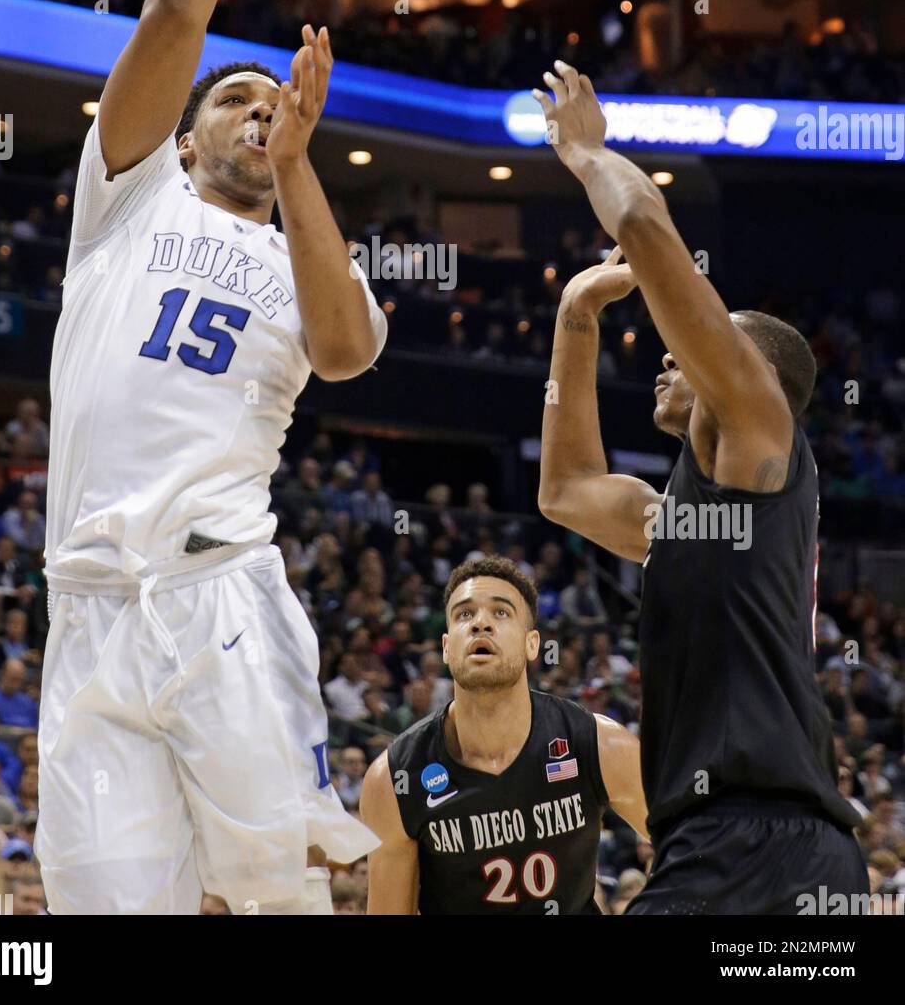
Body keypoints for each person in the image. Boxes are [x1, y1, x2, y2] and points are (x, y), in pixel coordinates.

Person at [36, 0, 385, 917]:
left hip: (219, 595)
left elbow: (343, 356)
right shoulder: (126, 200)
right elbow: (177, 10)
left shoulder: (309, 258)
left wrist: (299, 168)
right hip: (82, 607)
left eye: (266, 101)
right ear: (178, 137)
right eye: (230, 103)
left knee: (278, 901)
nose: (251, 110)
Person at [535, 60, 867, 914]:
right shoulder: (693, 517)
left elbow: (643, 219)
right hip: (732, 847)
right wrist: (577, 314)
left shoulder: (763, 433)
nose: (669, 355)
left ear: (745, 370)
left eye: (693, 350)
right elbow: (566, 491)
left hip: (762, 842)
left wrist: (585, 152)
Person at [361, 557, 647, 914]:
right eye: (465, 615)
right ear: (447, 648)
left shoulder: (600, 744)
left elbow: (688, 845)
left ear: (532, 644)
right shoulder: (394, 780)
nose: (480, 623)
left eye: (501, 613)